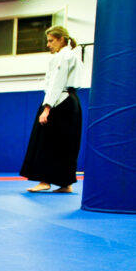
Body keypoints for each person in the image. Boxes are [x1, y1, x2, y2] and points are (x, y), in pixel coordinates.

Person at [19, 25, 83, 193]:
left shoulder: (63, 56)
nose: (48, 44)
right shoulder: (73, 56)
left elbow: (57, 82)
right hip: (71, 101)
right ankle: (66, 183)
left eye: (51, 41)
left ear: (61, 39)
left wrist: (47, 108)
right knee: (67, 144)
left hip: (59, 101)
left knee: (45, 141)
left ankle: (45, 180)